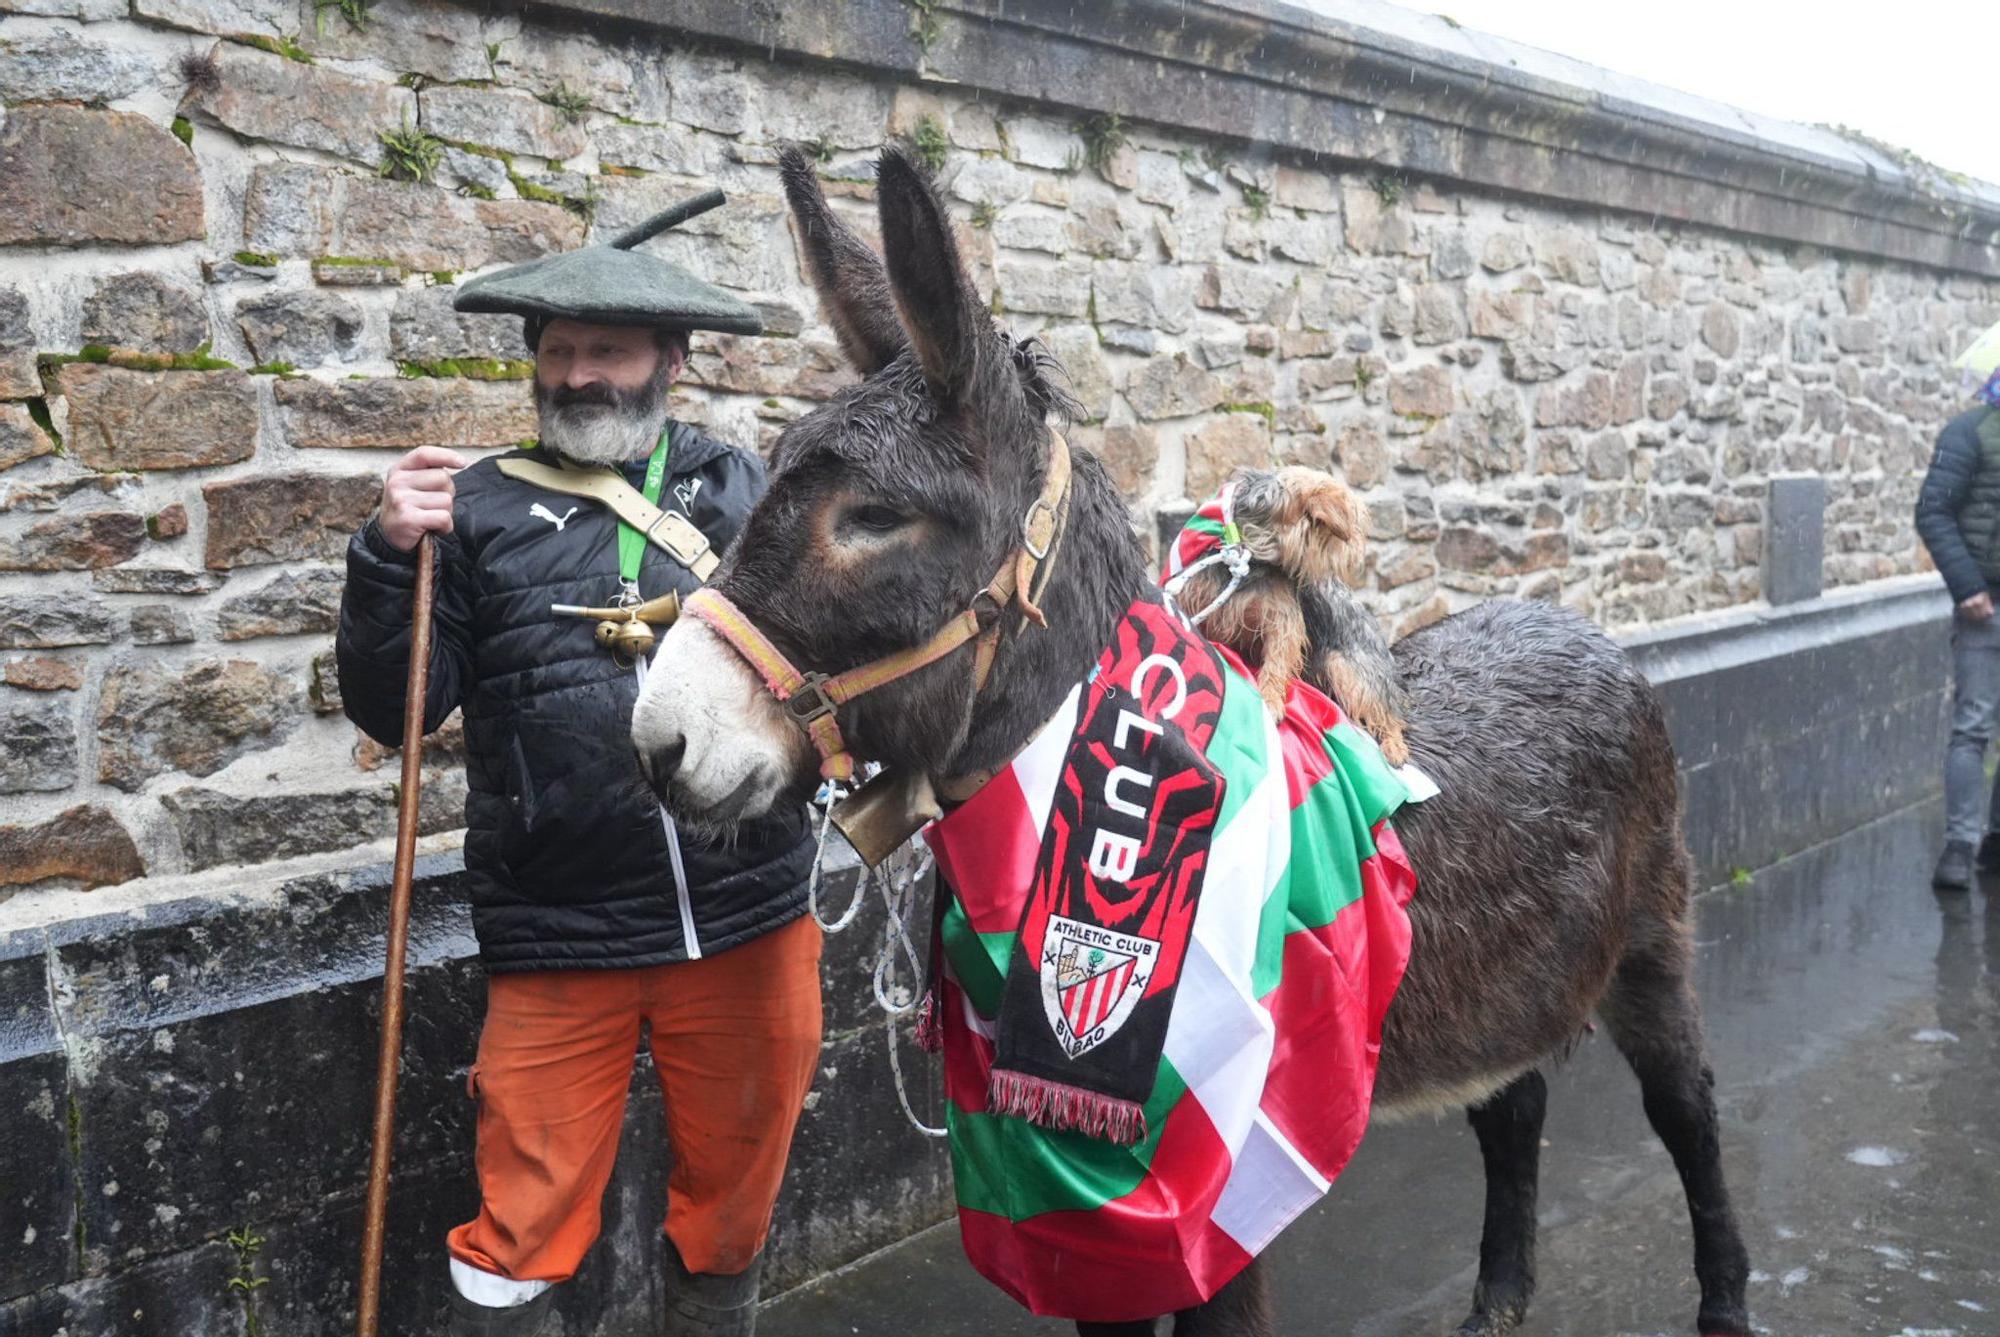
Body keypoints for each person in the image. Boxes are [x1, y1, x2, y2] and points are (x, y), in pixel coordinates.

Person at [335, 196, 820, 1337]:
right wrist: (381, 555)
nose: (579, 375)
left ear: (670, 358)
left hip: (748, 912)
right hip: (558, 924)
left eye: (607, 349)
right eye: (558, 351)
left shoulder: (745, 489)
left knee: (734, 1211)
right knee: (520, 1226)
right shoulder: (470, 508)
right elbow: (392, 711)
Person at [1915, 328, 2000, 891]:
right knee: (1974, 727)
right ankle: (1960, 847)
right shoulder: (1967, 433)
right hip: (1985, 606)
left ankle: (1996, 839)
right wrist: (1967, 586)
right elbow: (1934, 511)